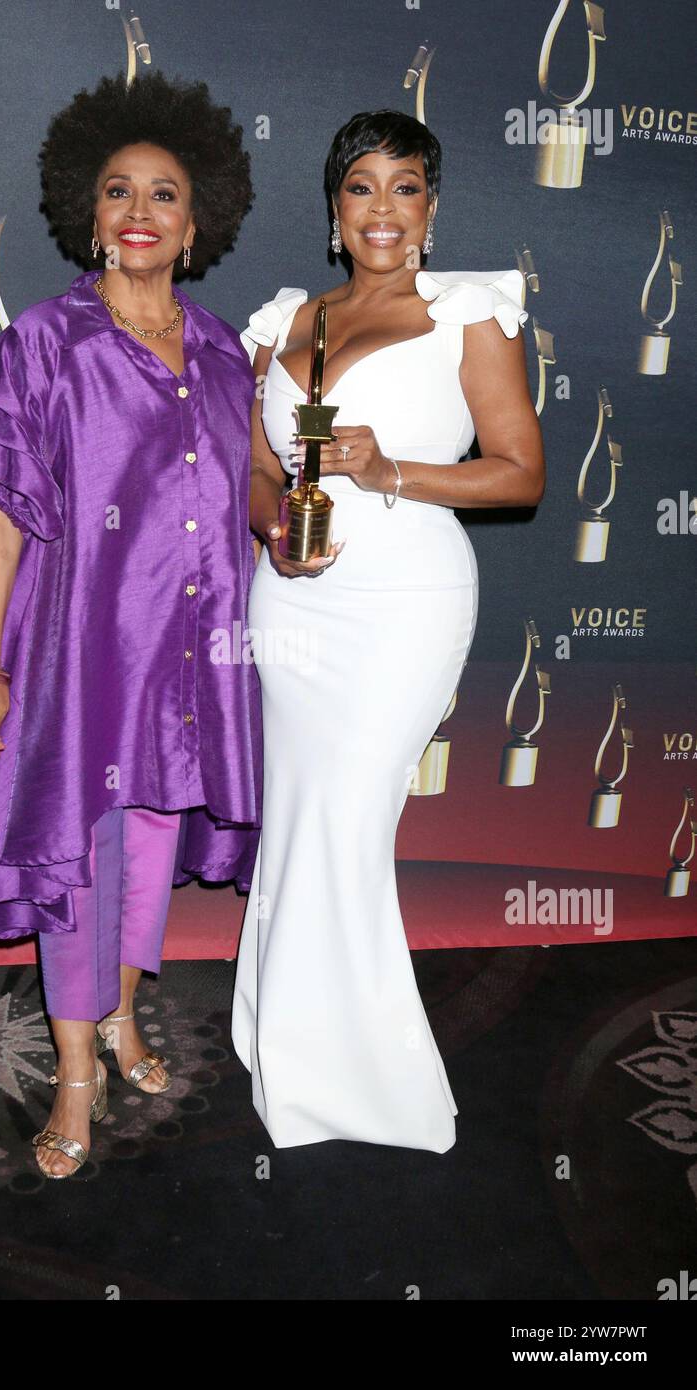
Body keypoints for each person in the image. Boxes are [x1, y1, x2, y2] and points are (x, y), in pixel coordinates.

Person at [0, 70, 261, 1178]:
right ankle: (76, 1070)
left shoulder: (224, 356)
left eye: (163, 194)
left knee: (152, 850)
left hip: (186, 661)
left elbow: (245, 509)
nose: (138, 210)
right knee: (77, 864)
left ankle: (124, 1016)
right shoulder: (45, 343)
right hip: (75, 662)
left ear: (196, 219)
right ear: (88, 212)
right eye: (118, 191)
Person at [231, 109, 545, 1150]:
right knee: (297, 816)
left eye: (403, 186)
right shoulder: (283, 322)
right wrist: (279, 531)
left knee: (347, 826)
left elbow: (518, 472)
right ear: (332, 208)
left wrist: (388, 471)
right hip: (292, 598)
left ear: (430, 206)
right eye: (359, 185)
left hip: (406, 600)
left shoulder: (469, 315)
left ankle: (354, 1078)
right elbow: (258, 468)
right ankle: (279, 1034)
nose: (380, 207)